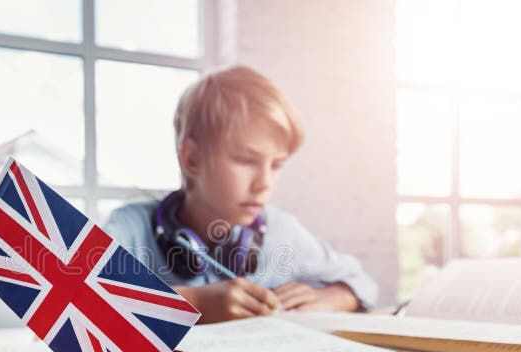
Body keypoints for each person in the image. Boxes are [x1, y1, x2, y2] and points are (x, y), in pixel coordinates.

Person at [103, 65, 378, 323]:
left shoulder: (282, 231)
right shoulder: (131, 227)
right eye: (247, 161)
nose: (265, 183)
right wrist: (195, 302)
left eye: (276, 165)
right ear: (193, 159)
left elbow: (362, 282)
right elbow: (71, 295)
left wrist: (330, 298)